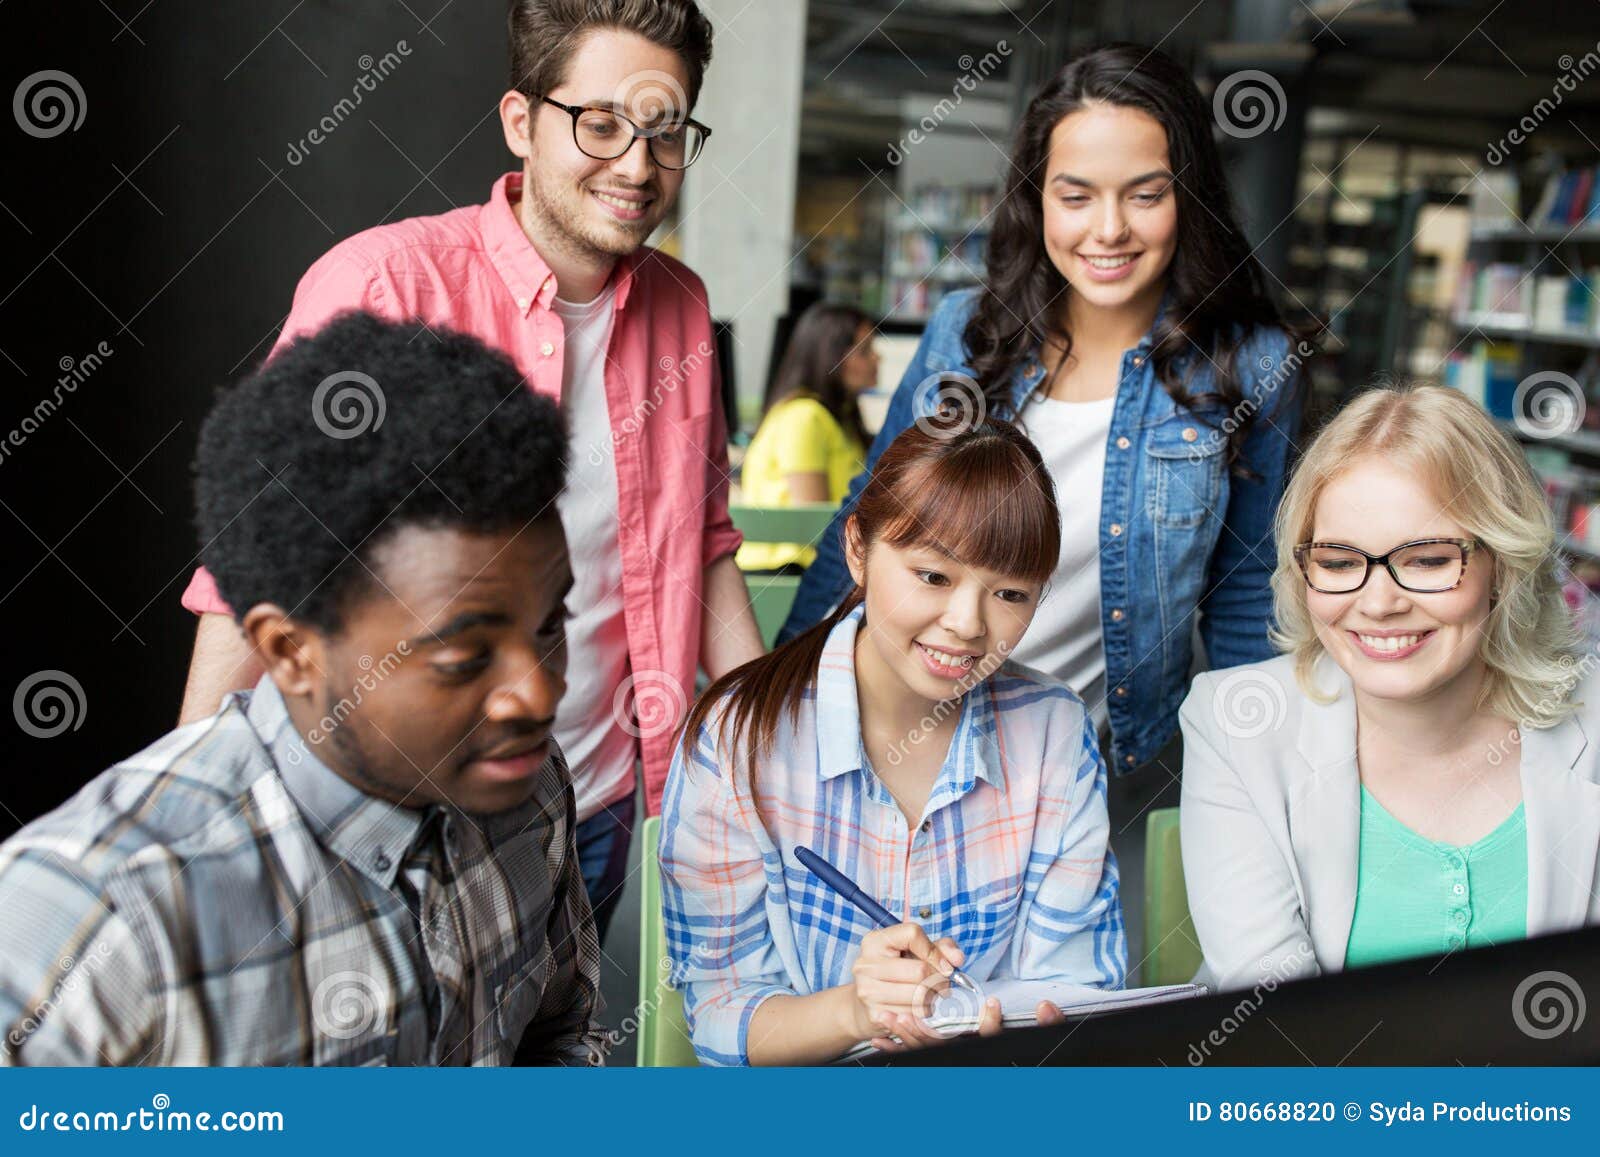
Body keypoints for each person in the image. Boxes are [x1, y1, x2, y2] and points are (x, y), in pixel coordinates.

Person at [174, 0, 764, 940]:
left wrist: (766, 761)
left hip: (603, 801)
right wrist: (188, 816)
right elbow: (256, 561)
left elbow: (703, 542)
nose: (637, 166)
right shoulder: (384, 285)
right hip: (400, 816)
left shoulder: (681, 306)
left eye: (664, 132)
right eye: (601, 124)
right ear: (522, 122)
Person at [0, 314, 603, 1065]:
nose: (538, 695)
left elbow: (556, 1036)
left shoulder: (531, 791)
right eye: (462, 655)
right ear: (291, 653)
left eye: (549, 625)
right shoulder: (95, 921)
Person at [780, 43, 1308, 777]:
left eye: (1146, 194)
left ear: (1189, 196)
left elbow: (1248, 595)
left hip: (1083, 769)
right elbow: (865, 524)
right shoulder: (964, 335)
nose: (1110, 228)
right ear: (1037, 197)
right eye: (1077, 194)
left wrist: (1262, 783)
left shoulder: (1249, 365)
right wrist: (780, 698)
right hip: (894, 736)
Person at [661, 417, 1126, 1066]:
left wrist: (1041, 1037)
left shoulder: (1056, 733)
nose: (967, 624)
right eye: (933, 576)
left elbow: (1078, 987)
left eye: (1010, 592)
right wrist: (854, 1009)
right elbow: (718, 1018)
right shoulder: (736, 738)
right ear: (857, 548)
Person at [1180, 383, 1600, 992]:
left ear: (1503, 566)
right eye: (1339, 562)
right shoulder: (1234, 724)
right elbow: (1282, 1031)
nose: (1378, 603)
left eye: (1429, 560)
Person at [735, 302, 878, 574]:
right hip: (786, 571)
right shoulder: (804, 417)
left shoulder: (841, 419)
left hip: (810, 568)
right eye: (864, 351)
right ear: (831, 357)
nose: (876, 359)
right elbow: (812, 521)